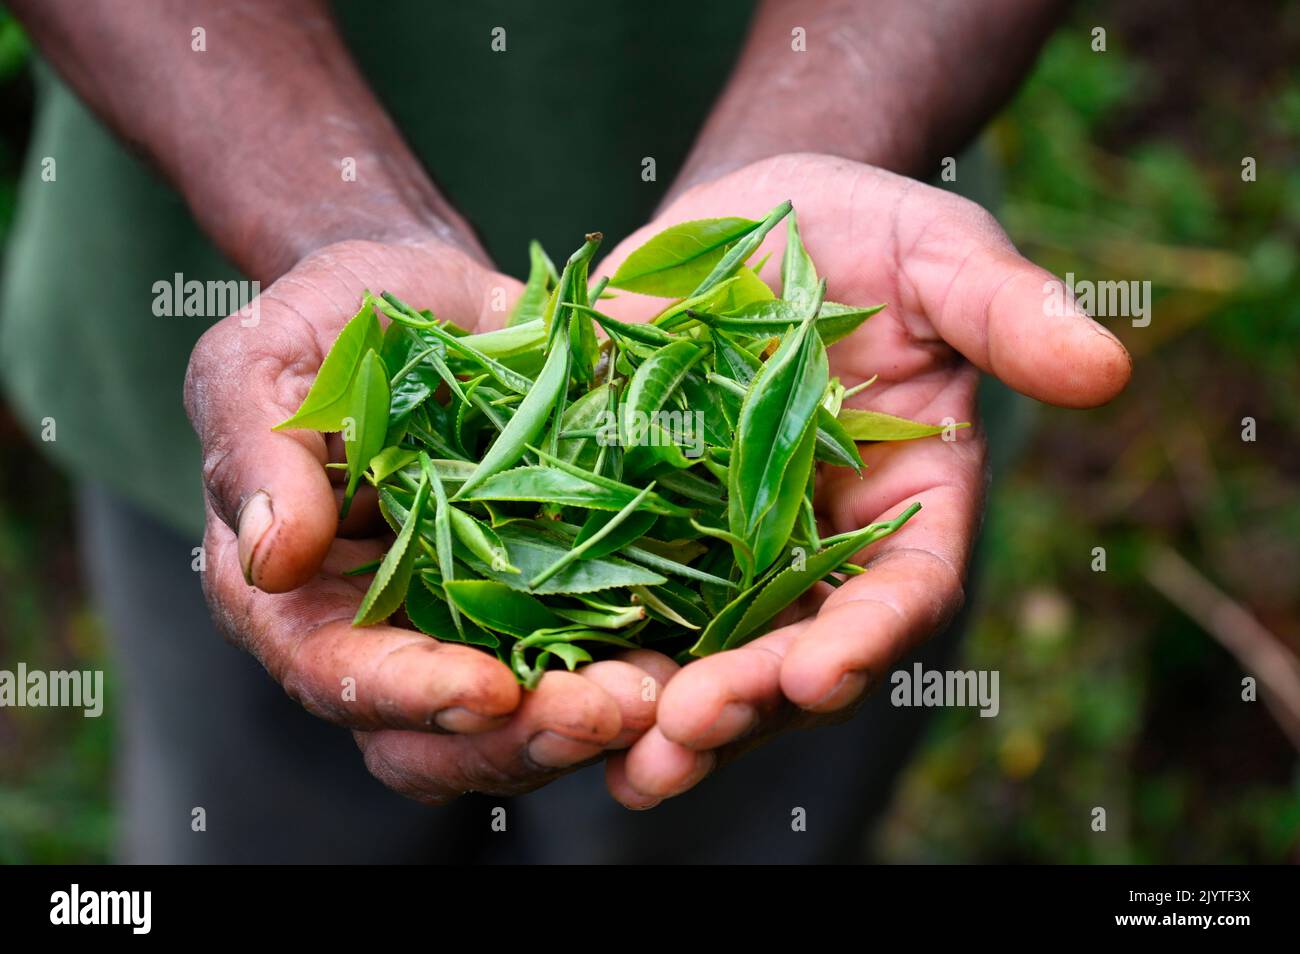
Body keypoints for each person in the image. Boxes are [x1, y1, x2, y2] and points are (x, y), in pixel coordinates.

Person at [0, 0, 1129, 862]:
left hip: (866, 395)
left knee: (739, 809)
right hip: (285, 437)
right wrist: (331, 223)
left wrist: (808, 152)